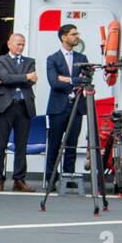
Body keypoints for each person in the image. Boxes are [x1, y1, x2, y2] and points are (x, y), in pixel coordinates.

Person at [0, 32, 37, 192]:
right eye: (18, 44)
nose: (21, 47)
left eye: (23, 44)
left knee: (21, 145)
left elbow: (29, 80)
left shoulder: (30, 61)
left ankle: (19, 180)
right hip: (4, 107)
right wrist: (25, 77)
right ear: (9, 44)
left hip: (24, 106)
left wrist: (12, 78)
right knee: (1, 145)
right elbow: (6, 78)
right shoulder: (0, 60)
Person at [45, 23, 90, 182]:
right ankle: (51, 179)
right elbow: (54, 83)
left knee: (71, 145)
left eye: (77, 33)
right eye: (73, 34)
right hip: (58, 108)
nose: (77, 36)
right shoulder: (52, 59)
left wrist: (67, 79)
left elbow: (86, 80)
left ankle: (68, 179)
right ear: (64, 37)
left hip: (76, 107)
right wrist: (74, 82)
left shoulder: (82, 59)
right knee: (54, 145)